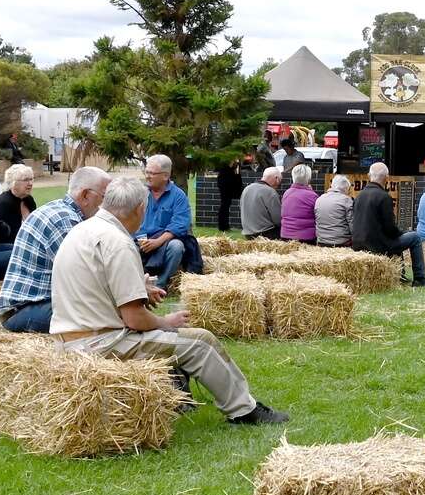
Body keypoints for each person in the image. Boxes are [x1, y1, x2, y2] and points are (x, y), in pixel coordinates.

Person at [50, 177, 288, 426]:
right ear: (140, 208)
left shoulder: (82, 230)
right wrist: (166, 321)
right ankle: (243, 410)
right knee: (201, 342)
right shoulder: (118, 243)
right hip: (101, 344)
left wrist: (137, 288)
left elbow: (94, 285)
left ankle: (183, 397)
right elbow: (134, 318)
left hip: (69, 339)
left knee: (176, 340)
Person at [0, 167, 112, 333]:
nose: (106, 205)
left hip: (36, 305)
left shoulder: (61, 211)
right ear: (85, 195)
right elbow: (84, 278)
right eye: (104, 197)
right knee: (102, 316)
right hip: (25, 310)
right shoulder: (65, 221)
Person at [352, 162, 425, 286]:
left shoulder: (359, 196)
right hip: (377, 245)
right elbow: (390, 229)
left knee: (397, 240)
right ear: (387, 178)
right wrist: (401, 233)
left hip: (357, 244)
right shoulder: (384, 197)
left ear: (368, 176)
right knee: (414, 237)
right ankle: (420, 278)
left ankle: (400, 275)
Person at [138, 154, 193, 292]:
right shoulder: (139, 193)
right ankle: (136, 284)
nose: (148, 176)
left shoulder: (178, 196)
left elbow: (180, 225)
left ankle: (159, 285)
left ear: (165, 176)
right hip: (139, 240)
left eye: (152, 173)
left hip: (164, 242)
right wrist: (141, 239)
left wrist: (157, 242)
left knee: (177, 246)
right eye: (147, 172)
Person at [0, 163, 37, 239]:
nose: (30, 183)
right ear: (13, 183)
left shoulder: (29, 200)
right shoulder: (3, 203)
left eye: (31, 179)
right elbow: (3, 235)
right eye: (25, 180)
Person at [240, 167, 283, 240]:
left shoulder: (247, 188)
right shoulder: (270, 192)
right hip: (266, 234)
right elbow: (278, 220)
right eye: (280, 181)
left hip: (248, 234)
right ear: (277, 179)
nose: (278, 185)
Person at [280, 164, 319, 243]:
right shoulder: (312, 195)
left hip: (285, 235)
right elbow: (318, 215)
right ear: (308, 178)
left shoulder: (287, 193)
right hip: (306, 238)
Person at [314, 174, 355, 248]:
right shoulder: (346, 200)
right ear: (346, 189)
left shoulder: (319, 199)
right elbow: (352, 225)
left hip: (321, 242)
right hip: (341, 243)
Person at [215, 159, 245, 232]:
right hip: (226, 185)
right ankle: (223, 226)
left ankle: (224, 226)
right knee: (225, 205)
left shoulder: (229, 168)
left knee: (225, 205)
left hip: (227, 184)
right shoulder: (227, 167)